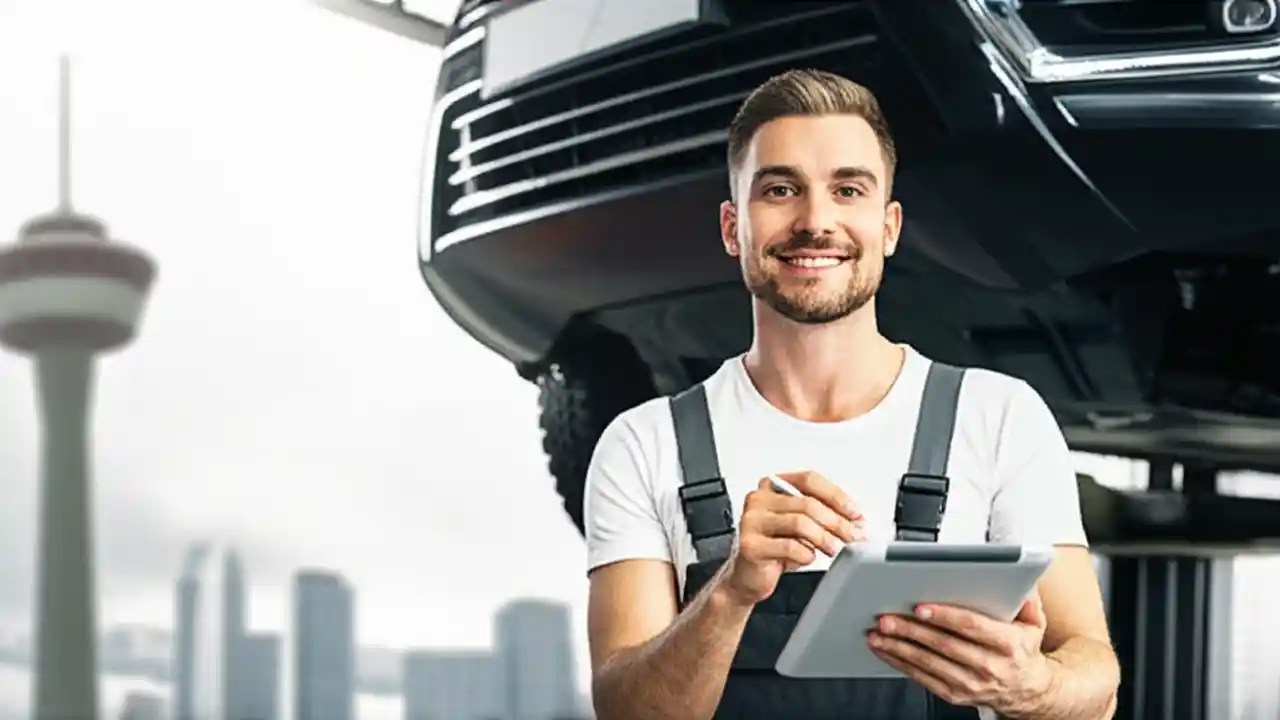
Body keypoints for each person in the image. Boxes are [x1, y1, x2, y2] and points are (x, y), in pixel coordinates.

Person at [582, 69, 1120, 720]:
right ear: (732, 228)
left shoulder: (999, 418)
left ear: (888, 227)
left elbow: (1096, 684)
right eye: (780, 189)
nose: (816, 221)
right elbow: (625, 712)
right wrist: (731, 591)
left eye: (848, 190)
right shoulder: (646, 443)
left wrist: (1029, 687)